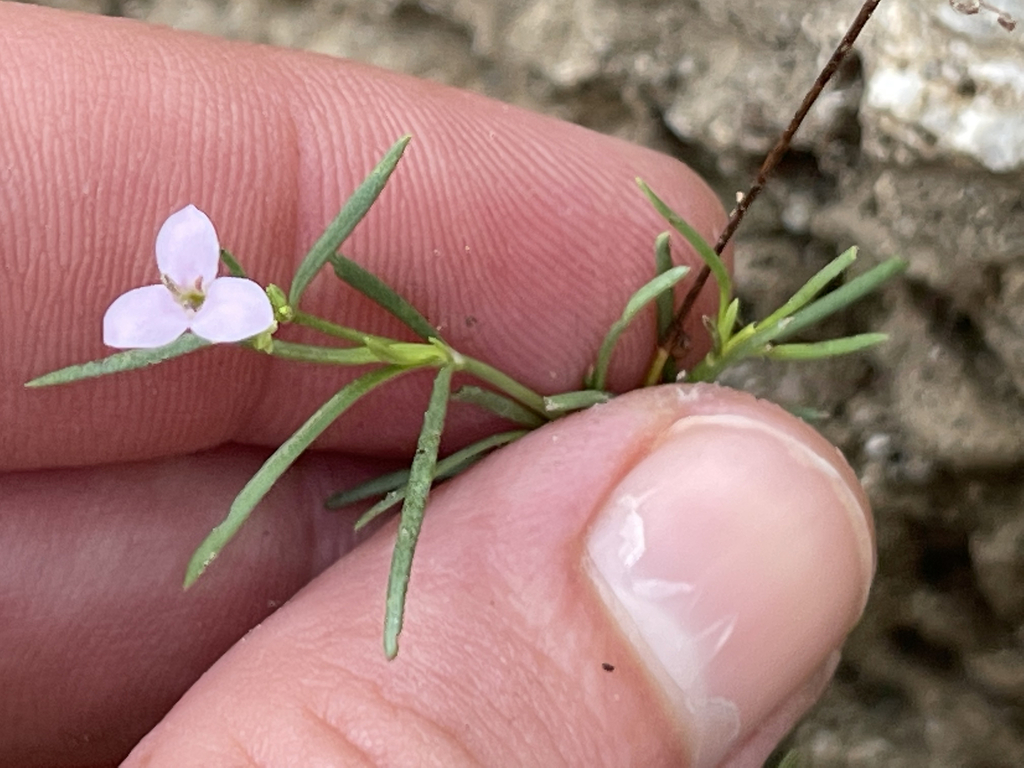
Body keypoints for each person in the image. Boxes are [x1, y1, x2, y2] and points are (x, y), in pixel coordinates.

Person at [0, 3, 875, 766]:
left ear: (216, 284)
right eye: (191, 296)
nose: (189, 293)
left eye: (195, 291)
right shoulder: (191, 312)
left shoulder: (222, 293)